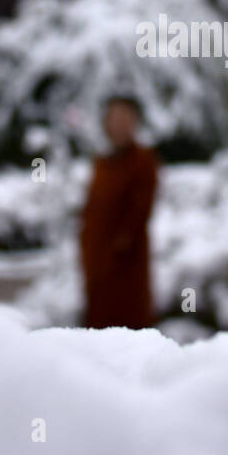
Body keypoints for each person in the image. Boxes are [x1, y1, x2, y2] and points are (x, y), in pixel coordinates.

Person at [78, 95, 159, 329]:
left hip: (125, 268)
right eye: (113, 118)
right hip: (96, 266)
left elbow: (140, 212)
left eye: (125, 118)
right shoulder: (102, 163)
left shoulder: (143, 161)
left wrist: (119, 245)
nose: (119, 124)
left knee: (127, 332)